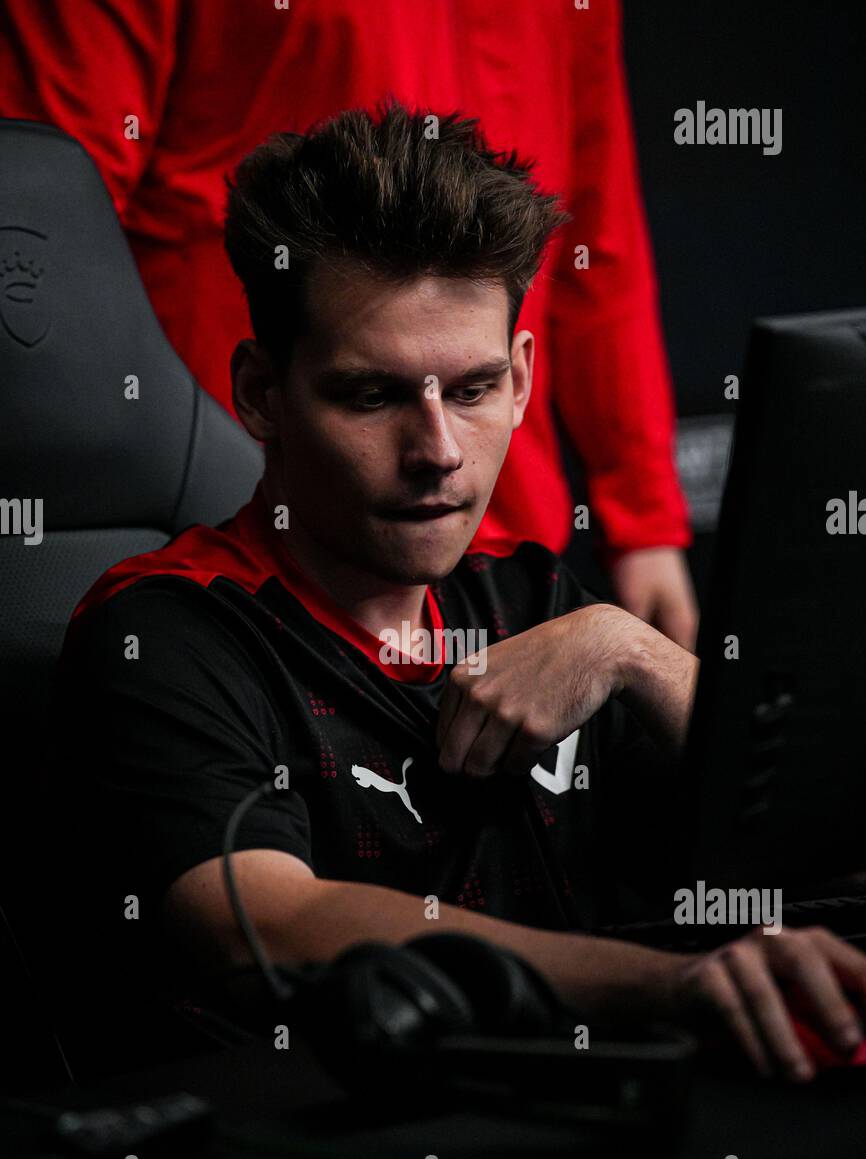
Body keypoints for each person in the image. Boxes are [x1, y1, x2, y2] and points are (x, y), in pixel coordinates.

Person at [51, 104, 866, 1084]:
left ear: (522, 381)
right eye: (372, 395)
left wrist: (634, 650)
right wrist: (664, 985)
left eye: (472, 390)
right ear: (262, 393)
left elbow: (812, 844)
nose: (436, 452)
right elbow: (265, 920)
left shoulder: (539, 598)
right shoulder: (163, 634)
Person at [0, 0, 697, 645]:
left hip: (502, 558)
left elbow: (593, 242)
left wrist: (644, 524)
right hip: (245, 534)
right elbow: (41, 210)